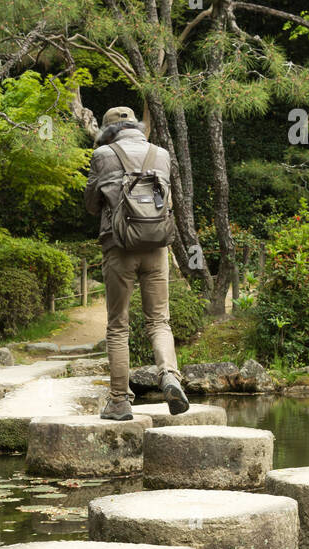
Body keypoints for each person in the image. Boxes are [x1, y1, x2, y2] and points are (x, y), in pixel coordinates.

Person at [85, 105, 190, 422]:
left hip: (119, 247)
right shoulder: (160, 153)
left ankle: (119, 401)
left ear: (107, 130)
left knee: (118, 326)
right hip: (156, 247)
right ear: (135, 126)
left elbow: (91, 205)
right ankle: (170, 375)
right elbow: (168, 202)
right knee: (159, 322)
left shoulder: (103, 154)